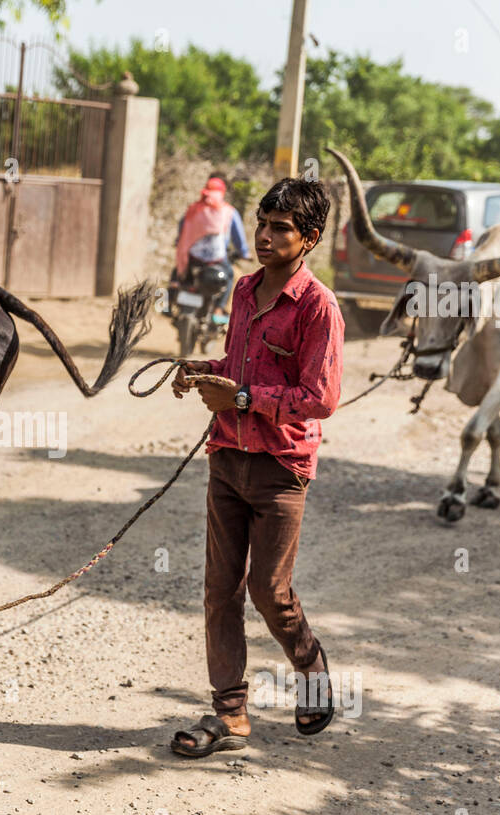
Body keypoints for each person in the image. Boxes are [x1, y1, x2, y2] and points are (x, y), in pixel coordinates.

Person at [168, 176, 344, 757]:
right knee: (220, 591)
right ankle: (230, 714)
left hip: (279, 469)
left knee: (269, 590)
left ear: (310, 238)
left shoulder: (318, 307)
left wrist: (242, 399)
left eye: (280, 229)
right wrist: (204, 369)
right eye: (262, 225)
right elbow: (240, 362)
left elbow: (319, 396)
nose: (265, 237)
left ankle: (313, 671)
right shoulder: (243, 291)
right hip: (227, 460)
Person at [171, 174, 250, 316]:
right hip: (217, 259)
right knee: (230, 275)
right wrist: (245, 253)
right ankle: (219, 308)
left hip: (193, 259)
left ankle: (170, 302)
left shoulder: (193, 209)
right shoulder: (228, 212)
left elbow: (182, 231)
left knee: (178, 274)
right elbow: (239, 239)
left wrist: (179, 243)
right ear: (222, 193)